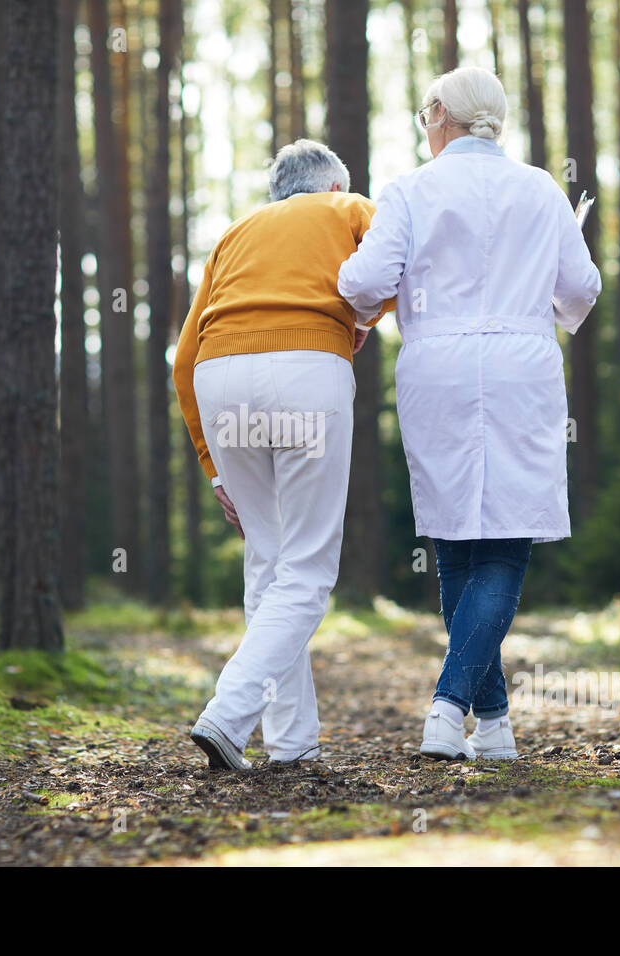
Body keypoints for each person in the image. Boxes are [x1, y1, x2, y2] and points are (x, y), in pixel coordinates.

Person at [337, 66, 601, 761]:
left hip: (439, 367)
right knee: (507, 541)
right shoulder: (541, 188)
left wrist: (362, 300)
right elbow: (581, 289)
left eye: (426, 115)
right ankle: (483, 720)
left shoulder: (410, 190)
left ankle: (462, 712)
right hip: (521, 364)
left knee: (456, 541)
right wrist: (539, 295)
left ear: (440, 117)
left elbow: (364, 283)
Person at [173, 139, 392, 769]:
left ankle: (292, 743)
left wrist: (212, 466)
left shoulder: (235, 234)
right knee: (307, 570)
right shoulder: (348, 208)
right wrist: (364, 322)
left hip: (220, 379)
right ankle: (227, 714)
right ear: (331, 187)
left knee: (268, 568)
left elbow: (184, 358)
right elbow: (391, 274)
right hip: (306, 373)